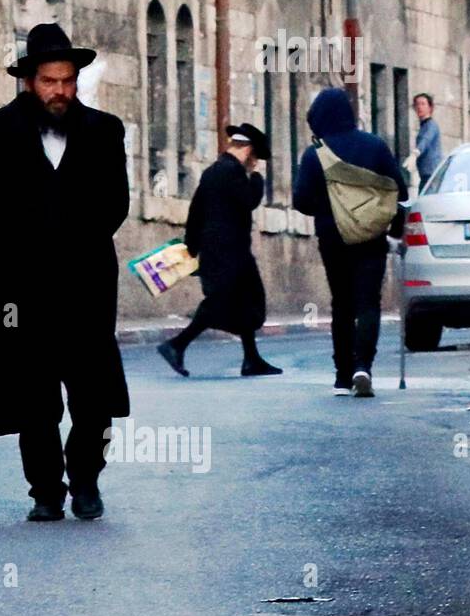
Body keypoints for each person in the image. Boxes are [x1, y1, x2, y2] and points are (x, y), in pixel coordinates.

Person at [0, 23, 129, 523]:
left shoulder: (104, 131)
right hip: (21, 289)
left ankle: (86, 480)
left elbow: (116, 203)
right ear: (30, 81)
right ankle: (46, 489)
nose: (60, 92)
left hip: (87, 282)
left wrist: (76, 242)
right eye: (50, 81)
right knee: (33, 393)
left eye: (68, 81)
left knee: (93, 393)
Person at [294, 87, 408, 397]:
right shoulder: (375, 146)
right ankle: (363, 367)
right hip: (371, 237)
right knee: (368, 302)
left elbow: (301, 200)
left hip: (332, 238)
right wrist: (389, 223)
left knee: (342, 304)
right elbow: (401, 191)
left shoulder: (315, 153)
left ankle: (342, 376)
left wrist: (330, 207)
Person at [156, 124, 282, 379]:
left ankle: (251, 359)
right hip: (229, 254)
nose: (255, 161)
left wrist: (192, 248)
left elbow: (196, 211)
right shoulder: (234, 173)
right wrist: (256, 178)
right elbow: (249, 201)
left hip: (223, 253)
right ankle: (176, 345)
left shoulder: (213, 171)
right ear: (248, 151)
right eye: (255, 156)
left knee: (247, 302)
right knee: (221, 304)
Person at [413, 92, 442, 192]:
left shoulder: (431, 125)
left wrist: (416, 152)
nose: (419, 107)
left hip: (431, 174)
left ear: (430, 107)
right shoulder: (424, 126)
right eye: (417, 104)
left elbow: (426, 139)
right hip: (425, 174)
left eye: (423, 104)